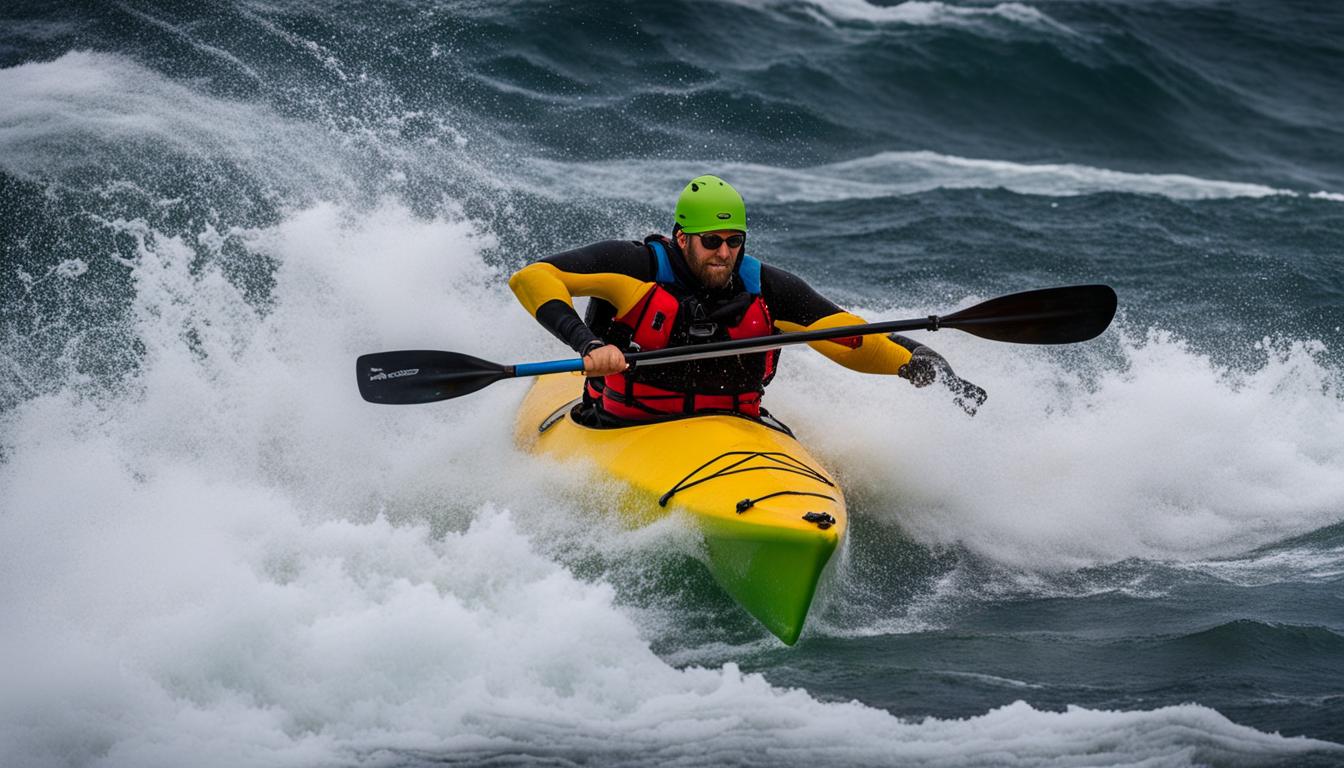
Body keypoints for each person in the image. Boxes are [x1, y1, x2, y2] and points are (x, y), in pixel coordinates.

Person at [508, 175, 985, 426]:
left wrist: (919, 366)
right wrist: (589, 344)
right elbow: (533, 277)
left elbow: (849, 337)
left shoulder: (767, 289)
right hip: (625, 423)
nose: (724, 253)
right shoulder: (635, 267)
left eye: (734, 241)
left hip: (732, 427)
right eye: (711, 241)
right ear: (682, 237)